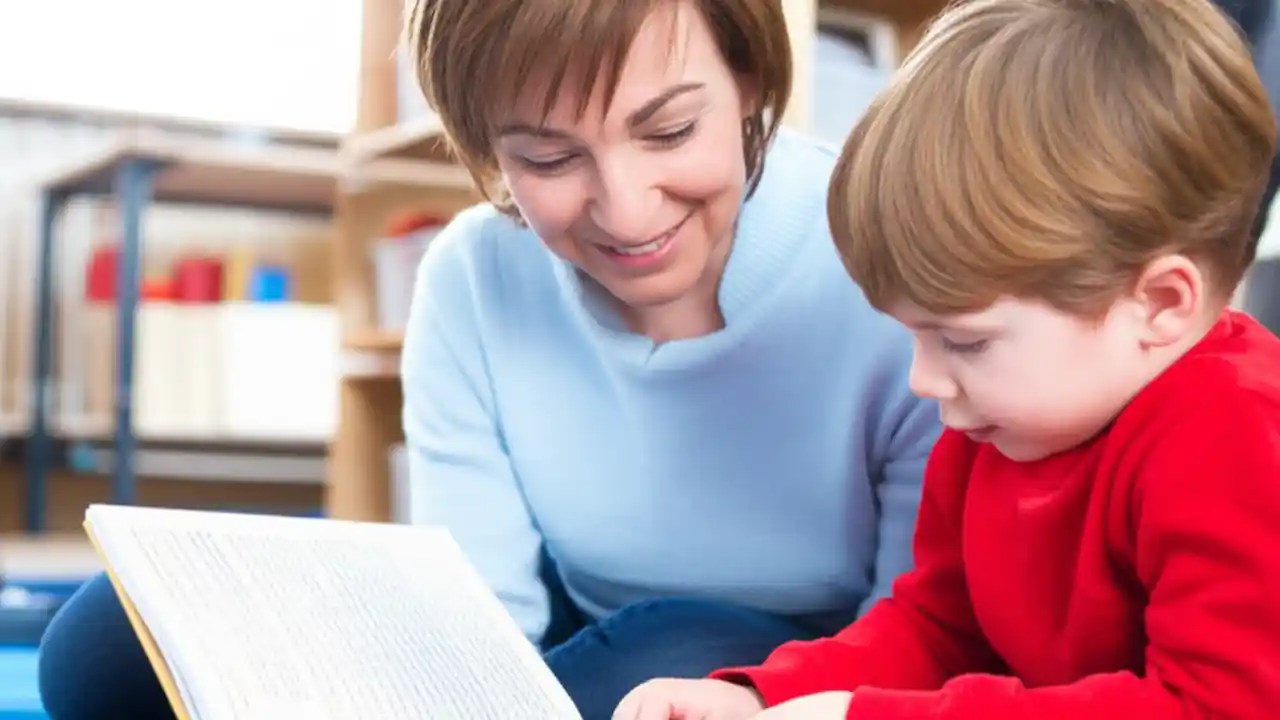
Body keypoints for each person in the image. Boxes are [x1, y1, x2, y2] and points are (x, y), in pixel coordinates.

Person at [37, 2, 939, 718]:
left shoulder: (883, 250)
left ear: (746, 80)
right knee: (110, 640)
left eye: (668, 133)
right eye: (549, 157)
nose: (625, 212)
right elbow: (476, 618)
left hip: (788, 665)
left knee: (670, 653)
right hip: (560, 632)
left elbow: (921, 631)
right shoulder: (473, 271)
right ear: (490, 152)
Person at [617, 0, 1280, 718]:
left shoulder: (1239, 436)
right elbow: (939, 633)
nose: (922, 379)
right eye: (914, 335)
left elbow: (1219, 707)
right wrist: (760, 696)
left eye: (964, 341)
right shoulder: (1000, 425)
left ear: (1159, 304)